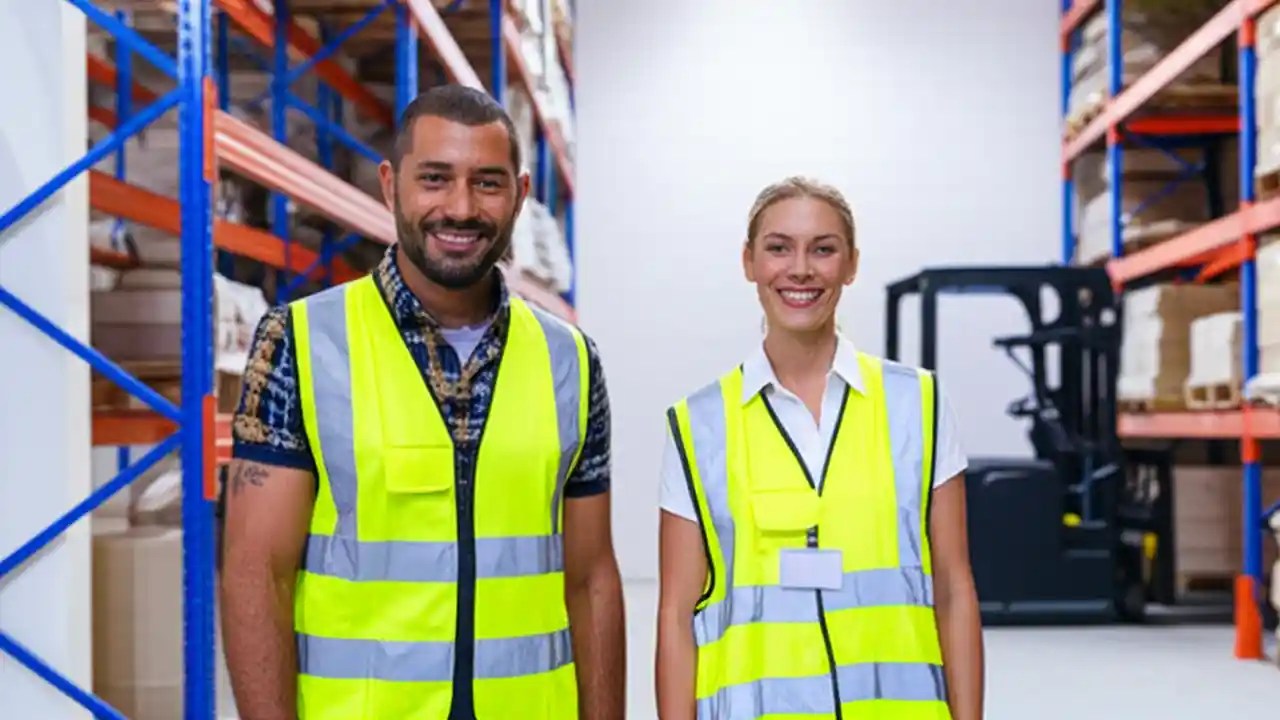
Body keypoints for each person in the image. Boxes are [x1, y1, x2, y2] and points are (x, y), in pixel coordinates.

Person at [220, 84, 627, 720]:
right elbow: (255, 572)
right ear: (391, 186)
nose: (460, 208)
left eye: (487, 184)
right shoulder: (300, 343)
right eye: (435, 179)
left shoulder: (569, 361)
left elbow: (592, 578)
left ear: (519, 195)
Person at [654, 177, 984, 719]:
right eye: (779, 247)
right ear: (749, 262)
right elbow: (674, 615)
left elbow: (953, 588)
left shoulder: (918, 404)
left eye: (823, 249)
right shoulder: (697, 425)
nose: (800, 269)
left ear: (851, 264)